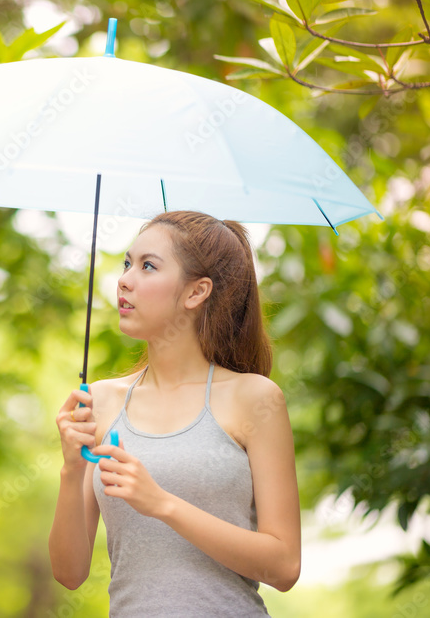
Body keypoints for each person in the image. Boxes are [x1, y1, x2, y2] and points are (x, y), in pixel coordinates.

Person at [48, 210, 301, 616]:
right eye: (127, 263)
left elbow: (285, 565)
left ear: (196, 292)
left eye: (148, 266)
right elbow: (69, 572)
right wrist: (71, 468)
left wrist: (161, 503)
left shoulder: (255, 398)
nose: (125, 279)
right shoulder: (101, 401)